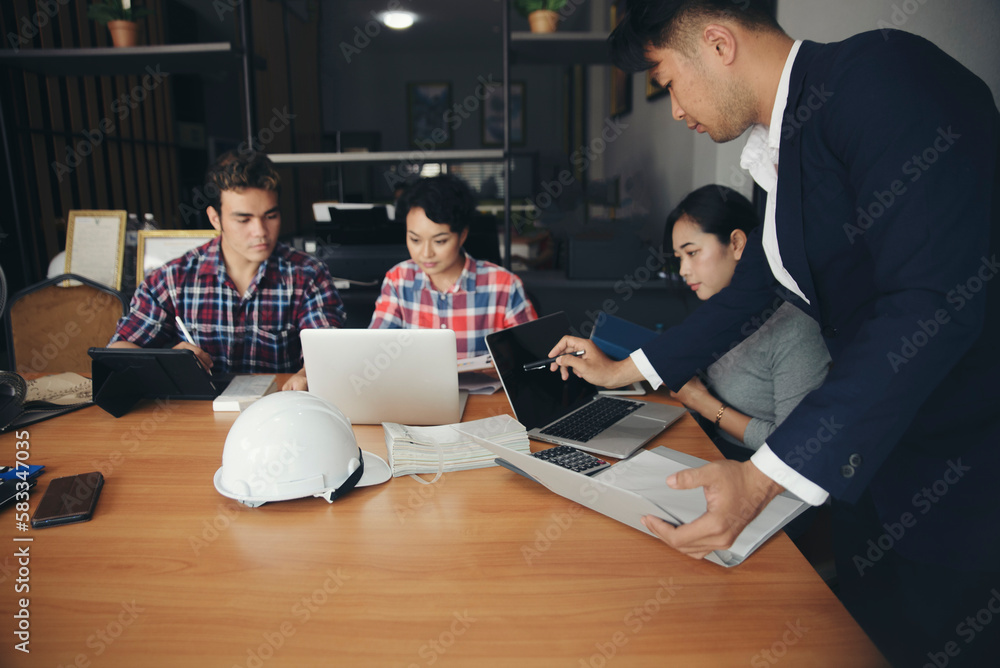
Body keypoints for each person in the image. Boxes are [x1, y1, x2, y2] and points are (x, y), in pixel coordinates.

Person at [546, 2, 1000, 665]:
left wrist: (761, 479)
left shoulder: (882, 77)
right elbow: (756, 290)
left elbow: (929, 307)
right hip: (865, 467)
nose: (673, 109)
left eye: (669, 80)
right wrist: (630, 367)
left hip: (959, 470)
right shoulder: (781, 145)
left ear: (718, 43)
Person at [110, 151, 345, 391]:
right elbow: (117, 350)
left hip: (280, 414)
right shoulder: (173, 279)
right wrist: (166, 362)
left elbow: (326, 353)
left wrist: (308, 375)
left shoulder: (308, 275)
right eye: (244, 220)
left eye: (270, 216)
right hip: (197, 418)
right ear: (215, 218)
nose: (260, 231)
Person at [666, 185, 830, 455]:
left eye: (692, 252)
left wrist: (700, 400)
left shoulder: (794, 326)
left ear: (737, 244)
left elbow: (793, 447)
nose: (683, 270)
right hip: (714, 452)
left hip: (766, 480)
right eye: (679, 258)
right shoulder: (716, 311)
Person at [369, 174, 537, 357]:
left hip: (489, 386)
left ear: (462, 235)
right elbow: (376, 351)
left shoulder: (504, 285)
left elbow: (531, 357)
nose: (426, 253)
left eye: (439, 241)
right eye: (415, 239)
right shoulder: (398, 280)